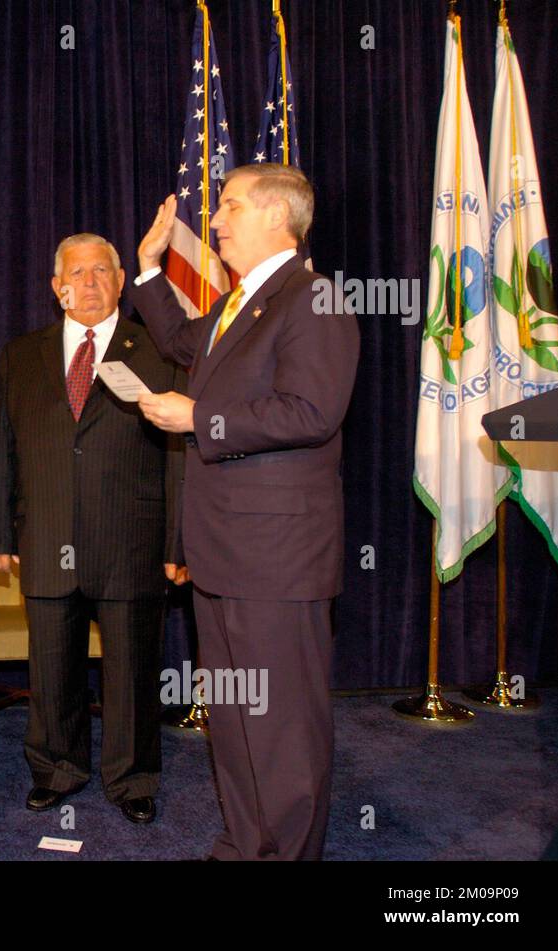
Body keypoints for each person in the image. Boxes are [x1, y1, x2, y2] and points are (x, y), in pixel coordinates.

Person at [132, 163, 359, 860]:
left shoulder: (314, 298)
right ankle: (245, 844)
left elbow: (311, 411)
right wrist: (146, 271)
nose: (216, 220)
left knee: (282, 727)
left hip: (278, 558)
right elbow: (180, 343)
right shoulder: (240, 305)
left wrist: (199, 415)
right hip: (223, 552)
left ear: (276, 216)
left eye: (228, 206)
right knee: (233, 719)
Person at [0, 234, 186, 826]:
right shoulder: (22, 354)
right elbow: (4, 450)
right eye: (77, 272)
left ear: (123, 281)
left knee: (130, 673)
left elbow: (180, 457)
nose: (90, 282)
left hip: (131, 537)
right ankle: (57, 769)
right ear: (56, 287)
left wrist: (178, 542)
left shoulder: (158, 349)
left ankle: (132, 778)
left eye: (103, 270)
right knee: (51, 669)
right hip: (45, 536)